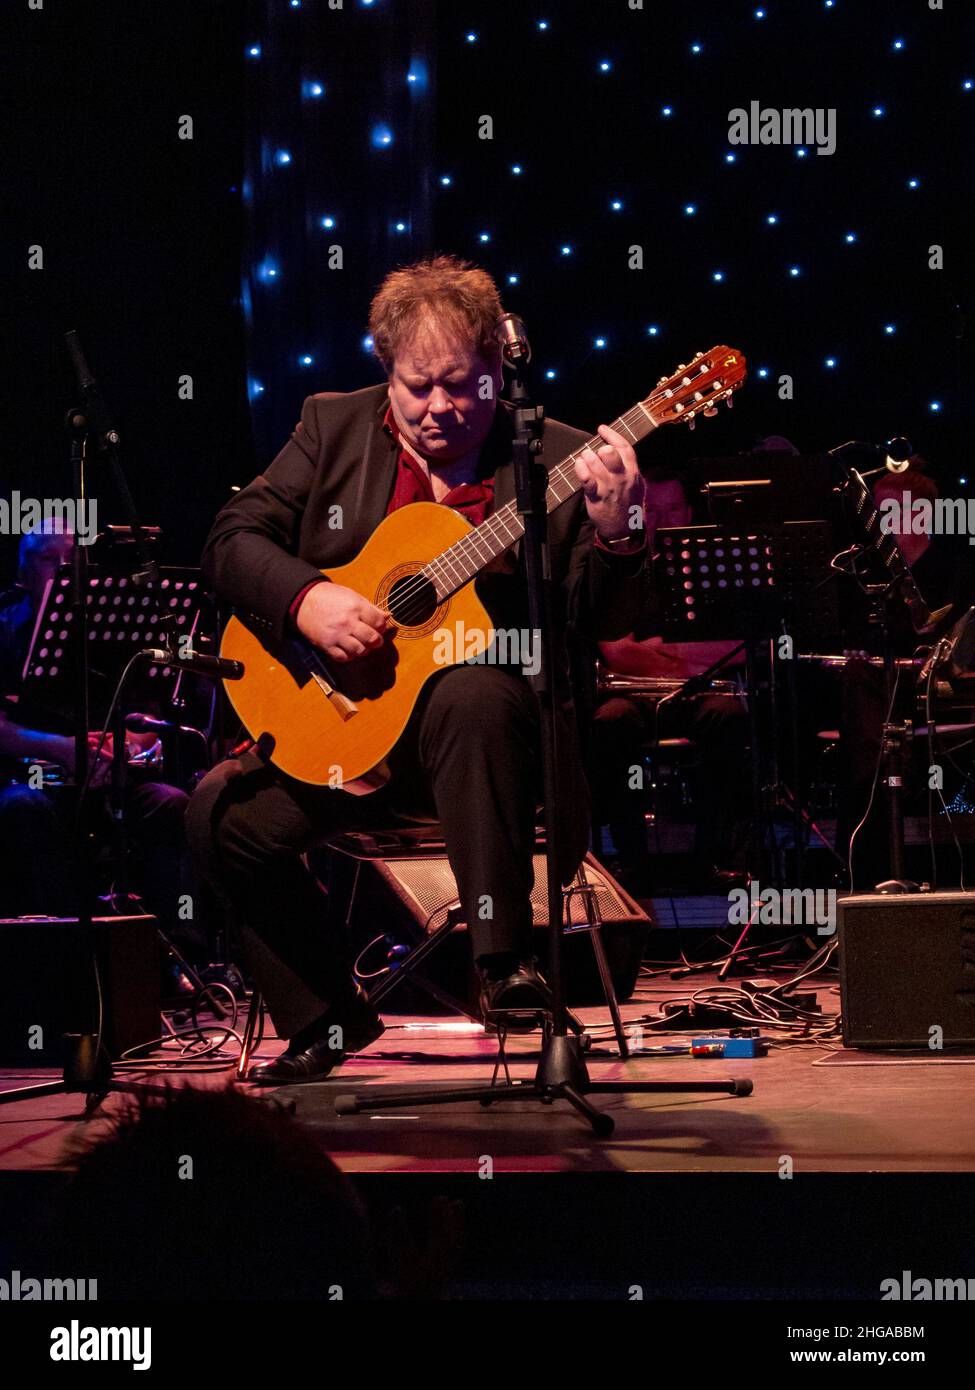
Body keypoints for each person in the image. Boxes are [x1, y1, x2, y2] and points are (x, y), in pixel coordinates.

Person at [186, 254, 648, 1084]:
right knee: (222, 814)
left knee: (473, 689)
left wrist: (618, 535)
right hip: (351, 727)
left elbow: (597, 624)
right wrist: (307, 602)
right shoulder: (332, 427)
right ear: (386, 376)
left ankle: (503, 966)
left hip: (494, 756)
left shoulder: (559, 460)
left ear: (499, 369)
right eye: (417, 385)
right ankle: (326, 1016)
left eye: (463, 384)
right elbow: (230, 540)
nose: (440, 406)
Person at [0, 525, 200, 963]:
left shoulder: (115, 628)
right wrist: (67, 749)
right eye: (51, 559)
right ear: (24, 573)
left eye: (75, 559)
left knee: (174, 804)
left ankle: (171, 953)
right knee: (21, 810)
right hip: (39, 779)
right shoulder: (4, 630)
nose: (67, 569)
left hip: (115, 775)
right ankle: (64, 955)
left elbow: (152, 716)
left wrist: (120, 745)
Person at [589, 466, 749, 886]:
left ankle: (714, 855)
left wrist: (660, 649)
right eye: (652, 509)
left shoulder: (716, 563)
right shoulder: (621, 566)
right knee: (609, 722)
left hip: (703, 693)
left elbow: (738, 644)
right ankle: (630, 859)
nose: (663, 517)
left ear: (689, 510)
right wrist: (688, 661)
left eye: (673, 507)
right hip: (638, 694)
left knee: (730, 717)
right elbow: (615, 650)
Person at [836, 460, 974, 886]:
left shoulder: (959, 569)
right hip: (879, 688)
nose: (882, 521)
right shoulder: (861, 571)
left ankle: (878, 786)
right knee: (857, 679)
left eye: (894, 510)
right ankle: (873, 796)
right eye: (878, 511)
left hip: (941, 688)